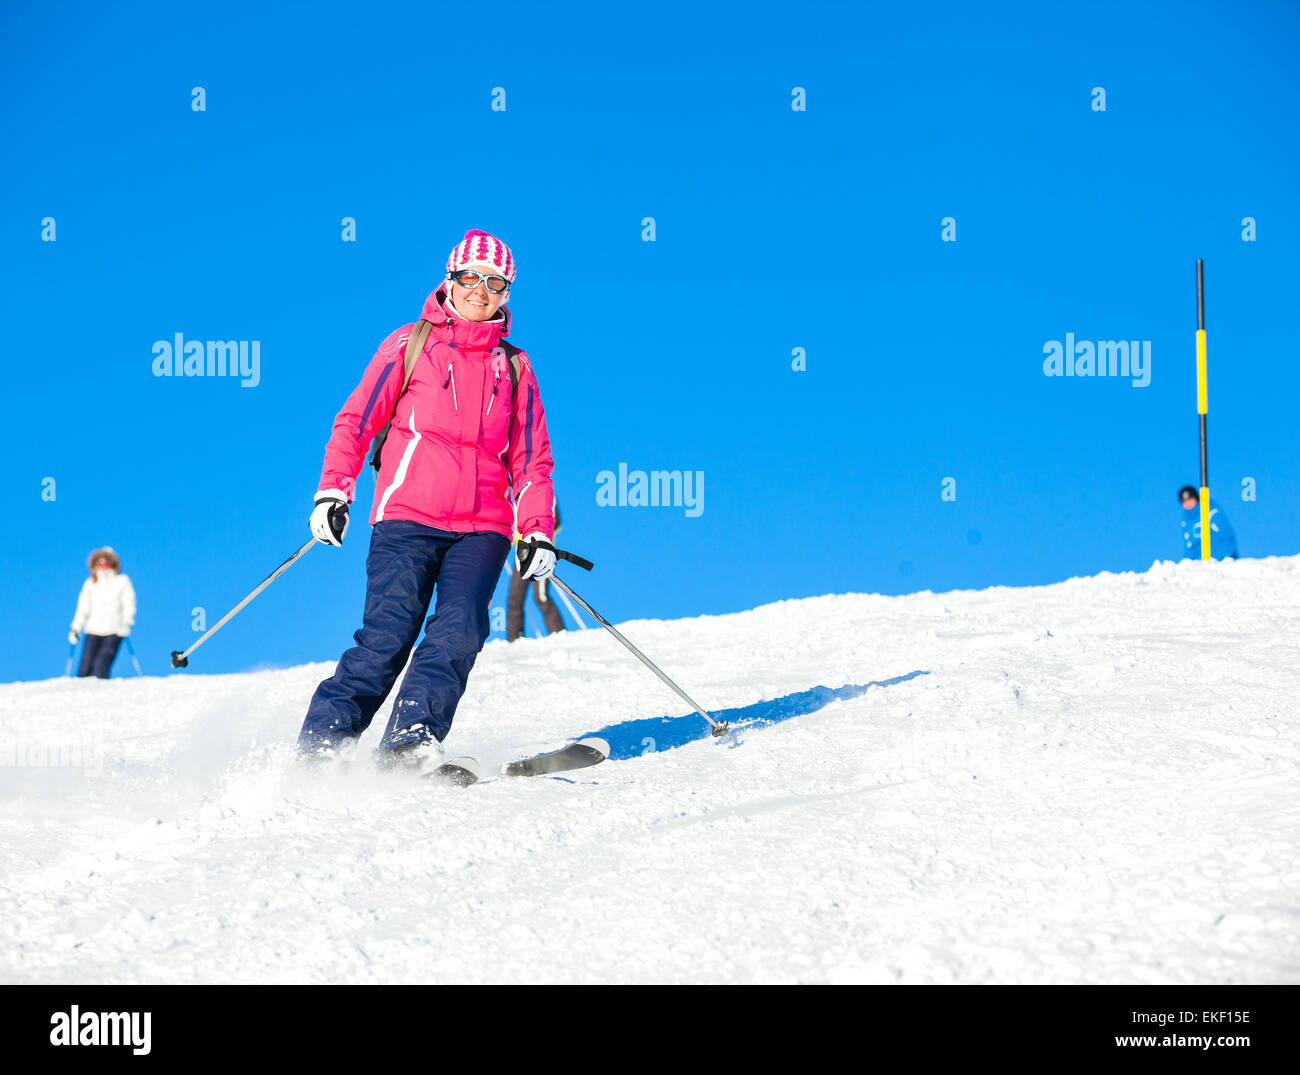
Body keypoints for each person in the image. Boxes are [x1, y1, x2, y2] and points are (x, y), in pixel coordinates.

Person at [298, 229, 557, 769]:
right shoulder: (409, 343)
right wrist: (333, 490)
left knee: (461, 628)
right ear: (449, 281)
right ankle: (322, 748)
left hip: (483, 526)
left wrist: (536, 531)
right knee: (387, 637)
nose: (480, 291)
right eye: (470, 278)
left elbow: (531, 459)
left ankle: (410, 741)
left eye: (495, 283)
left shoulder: (514, 366)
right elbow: (355, 422)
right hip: (407, 516)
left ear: (506, 293)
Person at [69, 547, 136, 678]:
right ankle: (80, 694)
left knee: (101, 665)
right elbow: (83, 608)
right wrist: (76, 628)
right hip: (92, 629)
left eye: (106, 563)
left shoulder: (122, 581)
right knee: (85, 667)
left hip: (115, 630)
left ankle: (100, 694)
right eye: (99, 563)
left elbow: (129, 603)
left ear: (112, 564)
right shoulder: (90, 584)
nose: (103, 566)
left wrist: (127, 623)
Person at [507, 495, 566, 641]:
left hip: (542, 554)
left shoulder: (545, 493)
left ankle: (559, 635)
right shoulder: (515, 500)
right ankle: (514, 641)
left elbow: (556, 522)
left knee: (541, 596)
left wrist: (538, 535)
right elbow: (514, 529)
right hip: (523, 555)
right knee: (514, 599)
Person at [1178, 485, 1238, 560]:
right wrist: (1186, 563)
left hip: (1220, 560)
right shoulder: (1186, 521)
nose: (1188, 504)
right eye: (1184, 502)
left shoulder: (1210, 511)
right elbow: (1190, 547)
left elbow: (1228, 537)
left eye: (1190, 500)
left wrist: (1222, 557)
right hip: (1201, 564)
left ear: (1196, 498)